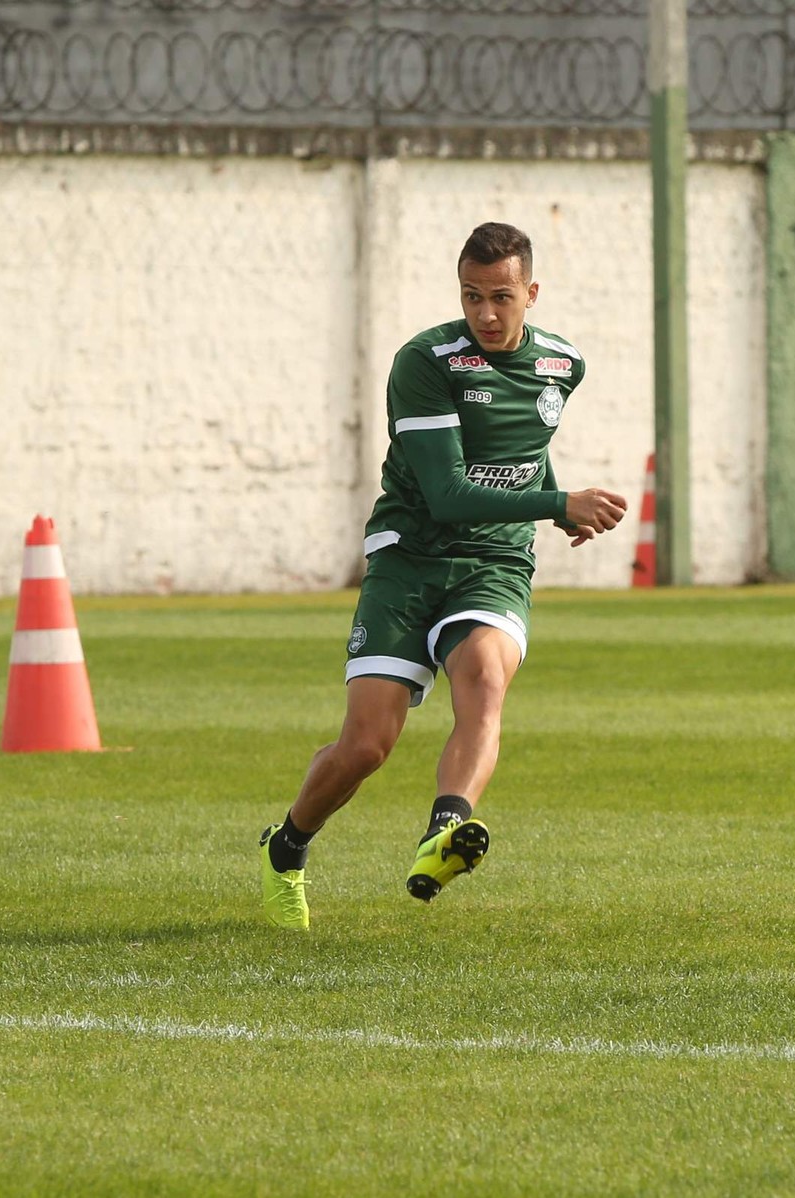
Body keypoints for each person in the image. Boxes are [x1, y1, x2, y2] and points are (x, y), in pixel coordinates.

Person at [259, 221, 627, 928]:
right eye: (471, 297)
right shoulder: (425, 362)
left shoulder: (563, 365)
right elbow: (449, 494)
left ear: (531, 294)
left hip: (494, 561)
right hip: (410, 555)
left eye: (501, 297)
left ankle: (445, 830)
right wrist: (559, 500)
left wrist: (553, 507)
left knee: (485, 681)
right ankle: (287, 847)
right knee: (366, 745)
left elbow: (526, 441)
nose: (486, 314)